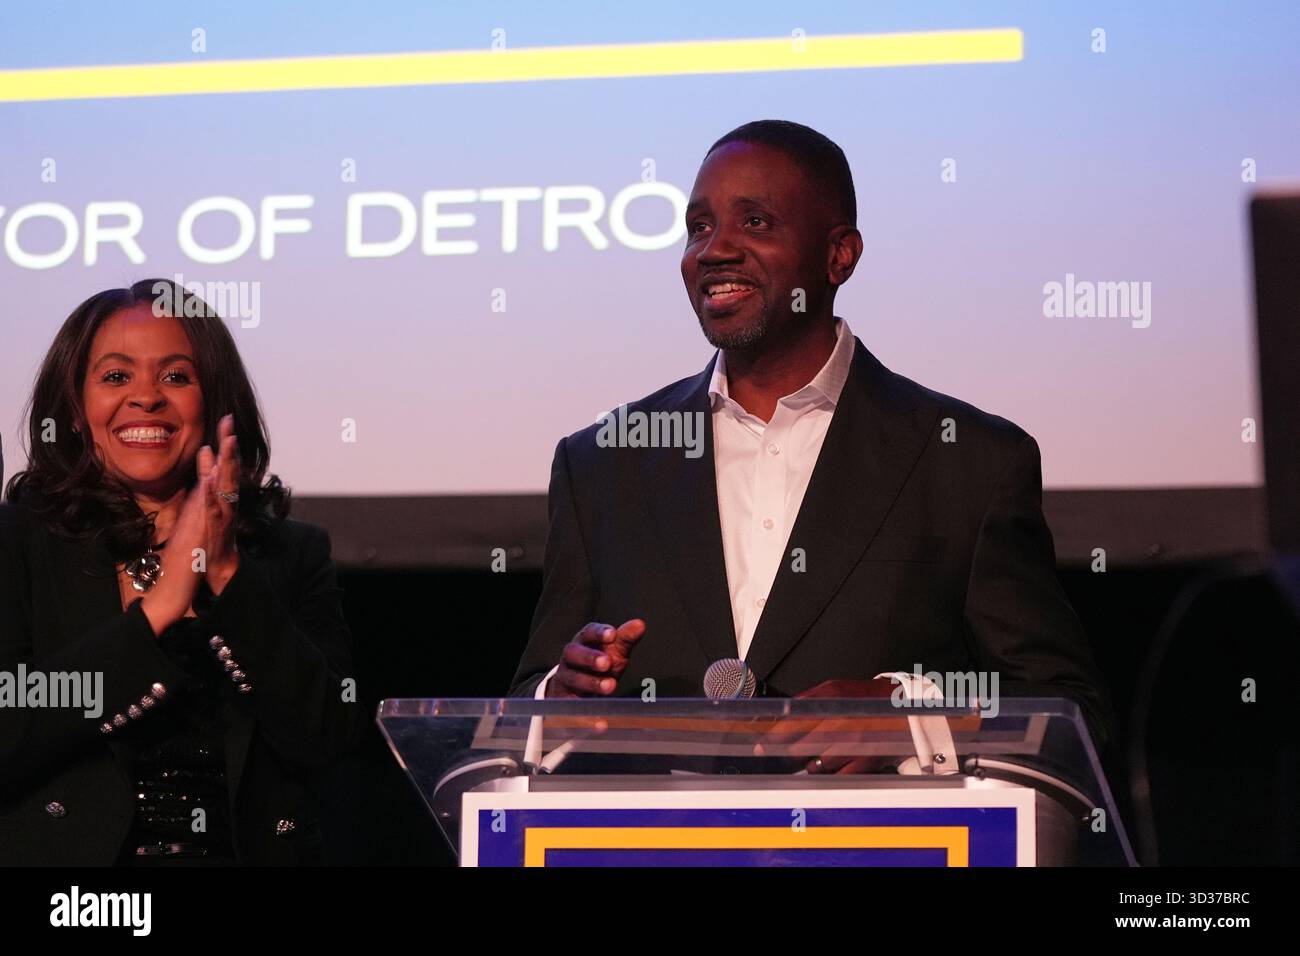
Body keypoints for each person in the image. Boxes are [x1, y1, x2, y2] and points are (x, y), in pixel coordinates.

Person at [510, 120, 1115, 752]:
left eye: (756, 223)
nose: (714, 249)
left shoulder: (969, 462)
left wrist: (909, 714)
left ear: (839, 256)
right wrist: (560, 697)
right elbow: (527, 699)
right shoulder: (604, 462)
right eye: (699, 227)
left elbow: (1069, 709)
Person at [0, 278, 364, 864]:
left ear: (216, 403)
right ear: (72, 410)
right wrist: (161, 607)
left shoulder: (291, 554)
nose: (146, 398)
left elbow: (326, 736)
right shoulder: (18, 545)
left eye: (176, 377)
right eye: (116, 377)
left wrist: (224, 573)